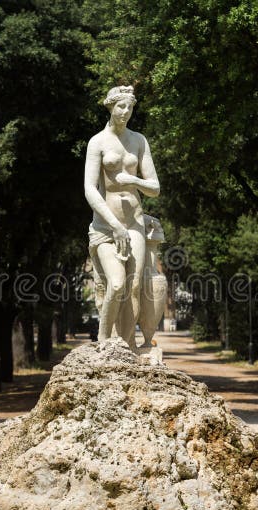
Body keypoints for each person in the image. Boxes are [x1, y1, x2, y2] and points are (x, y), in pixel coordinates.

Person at [85, 85, 160, 349]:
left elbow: (154, 188)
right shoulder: (97, 142)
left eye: (130, 107)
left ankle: (127, 348)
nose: (126, 112)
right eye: (121, 106)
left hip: (134, 223)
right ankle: (105, 344)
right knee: (116, 285)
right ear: (110, 107)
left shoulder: (138, 140)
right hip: (106, 225)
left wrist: (132, 179)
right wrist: (115, 225)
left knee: (135, 287)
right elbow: (90, 189)